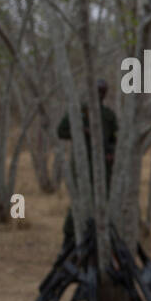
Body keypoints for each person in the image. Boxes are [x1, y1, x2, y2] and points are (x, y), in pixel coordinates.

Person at [58, 78, 118, 248]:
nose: (99, 94)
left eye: (102, 91)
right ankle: (70, 238)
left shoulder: (108, 115)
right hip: (82, 165)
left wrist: (111, 154)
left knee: (102, 202)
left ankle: (98, 240)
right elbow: (61, 131)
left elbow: (115, 140)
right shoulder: (79, 112)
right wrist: (81, 132)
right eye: (97, 90)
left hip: (103, 168)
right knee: (80, 202)